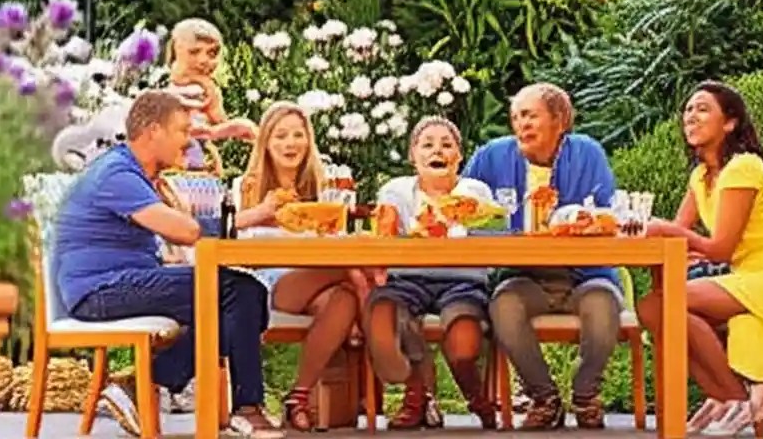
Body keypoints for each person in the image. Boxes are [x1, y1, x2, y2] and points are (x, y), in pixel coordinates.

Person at [52, 90, 282, 438]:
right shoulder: (116, 175)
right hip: (100, 290)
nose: (189, 143)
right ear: (152, 131)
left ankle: (142, 381)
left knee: (241, 304)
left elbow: (180, 234)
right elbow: (187, 231)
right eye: (183, 131)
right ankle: (246, 408)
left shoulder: (133, 173)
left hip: (119, 282)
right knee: (241, 291)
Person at [637, 81, 763, 434]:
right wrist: (671, 236)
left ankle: (737, 397)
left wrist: (672, 233)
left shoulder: (743, 168)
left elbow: (719, 248)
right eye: (688, 110)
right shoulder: (702, 176)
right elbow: (679, 230)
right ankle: (725, 394)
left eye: (703, 109)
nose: (691, 116)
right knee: (652, 307)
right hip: (748, 277)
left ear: (730, 123)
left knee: (670, 302)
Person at [463, 82, 621, 430]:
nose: (522, 124)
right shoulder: (493, 155)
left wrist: (582, 220)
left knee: (604, 306)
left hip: (584, 274)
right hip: (527, 277)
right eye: (517, 117)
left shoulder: (588, 153)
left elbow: (607, 210)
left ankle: (585, 393)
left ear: (560, 120)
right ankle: (544, 398)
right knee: (504, 304)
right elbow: (461, 203)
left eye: (531, 115)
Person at [230, 101, 377, 431]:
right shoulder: (248, 185)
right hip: (267, 281)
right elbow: (230, 229)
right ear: (266, 142)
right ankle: (367, 292)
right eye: (281, 136)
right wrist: (263, 211)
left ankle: (298, 396)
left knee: (344, 299)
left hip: (318, 279)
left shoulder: (321, 188)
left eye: (298, 135)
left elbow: (334, 236)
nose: (290, 143)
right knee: (353, 268)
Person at [365, 116, 498, 430]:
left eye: (446, 144)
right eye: (427, 145)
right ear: (413, 156)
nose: (437, 150)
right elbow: (384, 241)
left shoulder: (475, 193)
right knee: (382, 319)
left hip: (463, 282)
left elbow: (492, 243)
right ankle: (417, 394)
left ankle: (478, 398)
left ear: (459, 156)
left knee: (463, 346)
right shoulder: (394, 192)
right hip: (407, 280)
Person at [164, 17, 257, 173]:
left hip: (201, 161)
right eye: (194, 52)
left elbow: (218, 121)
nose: (203, 60)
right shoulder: (164, 88)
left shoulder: (208, 89)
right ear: (176, 50)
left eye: (212, 53)